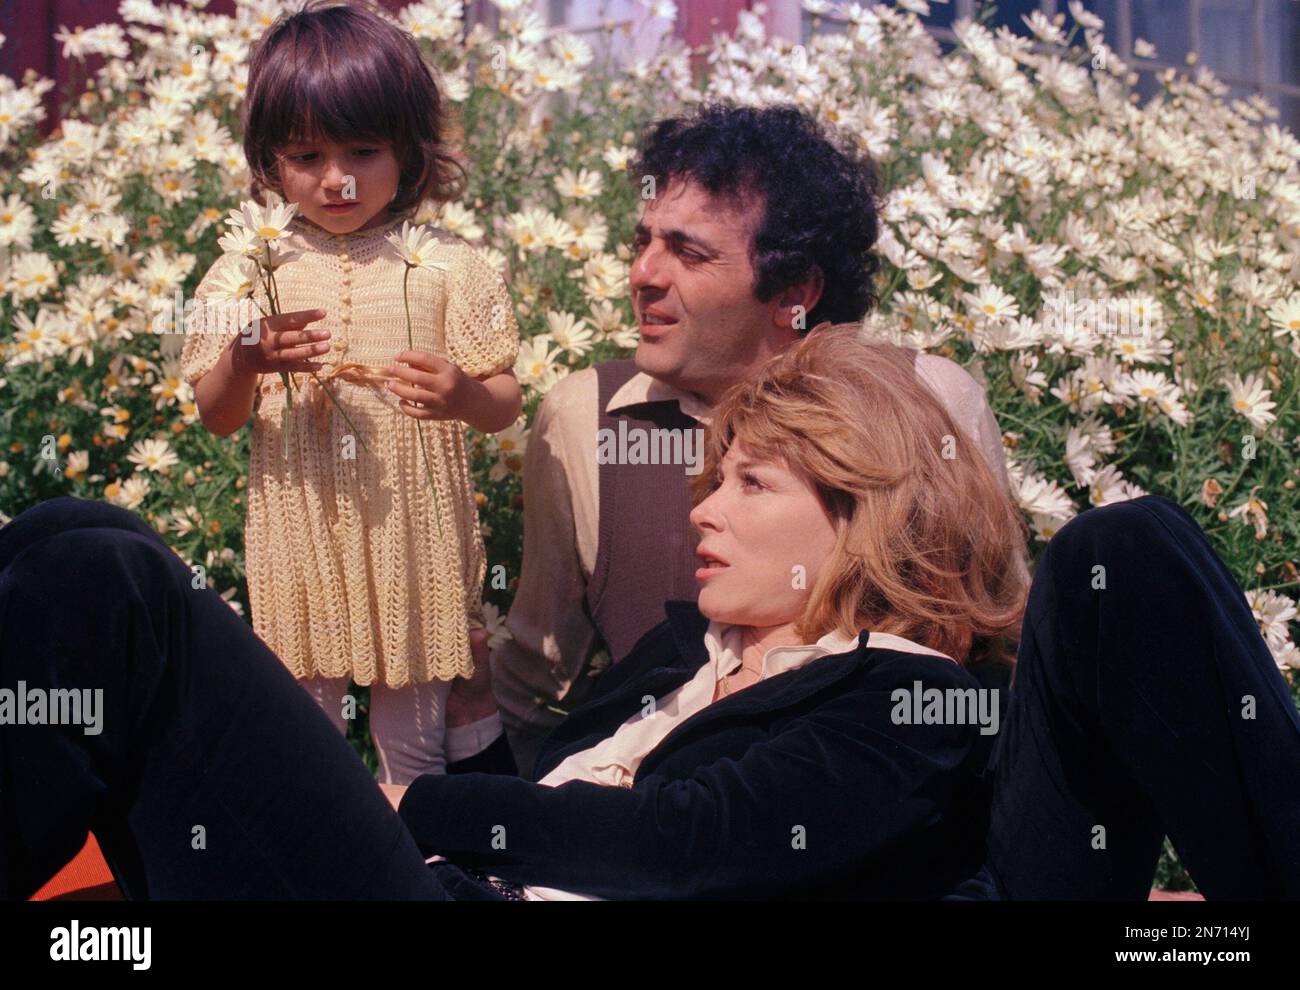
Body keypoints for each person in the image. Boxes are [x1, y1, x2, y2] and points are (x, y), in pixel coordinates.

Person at [5, 329, 1296, 900]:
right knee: (82, 533)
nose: (702, 512)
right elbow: (548, 770)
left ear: (856, 513)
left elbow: (692, 839)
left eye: (749, 482)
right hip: (436, 886)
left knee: (108, 590)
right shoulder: (686, 657)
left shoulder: (905, 693)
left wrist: (432, 802)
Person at [485, 102, 1017, 778]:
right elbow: (538, 685)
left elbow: (993, 645)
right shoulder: (586, 418)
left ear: (795, 291)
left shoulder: (931, 401)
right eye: (642, 242)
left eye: (688, 252)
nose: (643, 274)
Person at [181, 2, 520, 785]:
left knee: (413, 745)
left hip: (412, 531)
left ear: (410, 152)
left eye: (364, 151)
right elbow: (215, 415)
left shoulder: (446, 264)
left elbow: (505, 399)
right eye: (307, 154)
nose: (337, 179)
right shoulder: (245, 269)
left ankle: (418, 862)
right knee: (307, 735)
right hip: (303, 531)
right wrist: (246, 357)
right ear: (268, 162)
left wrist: (466, 394)